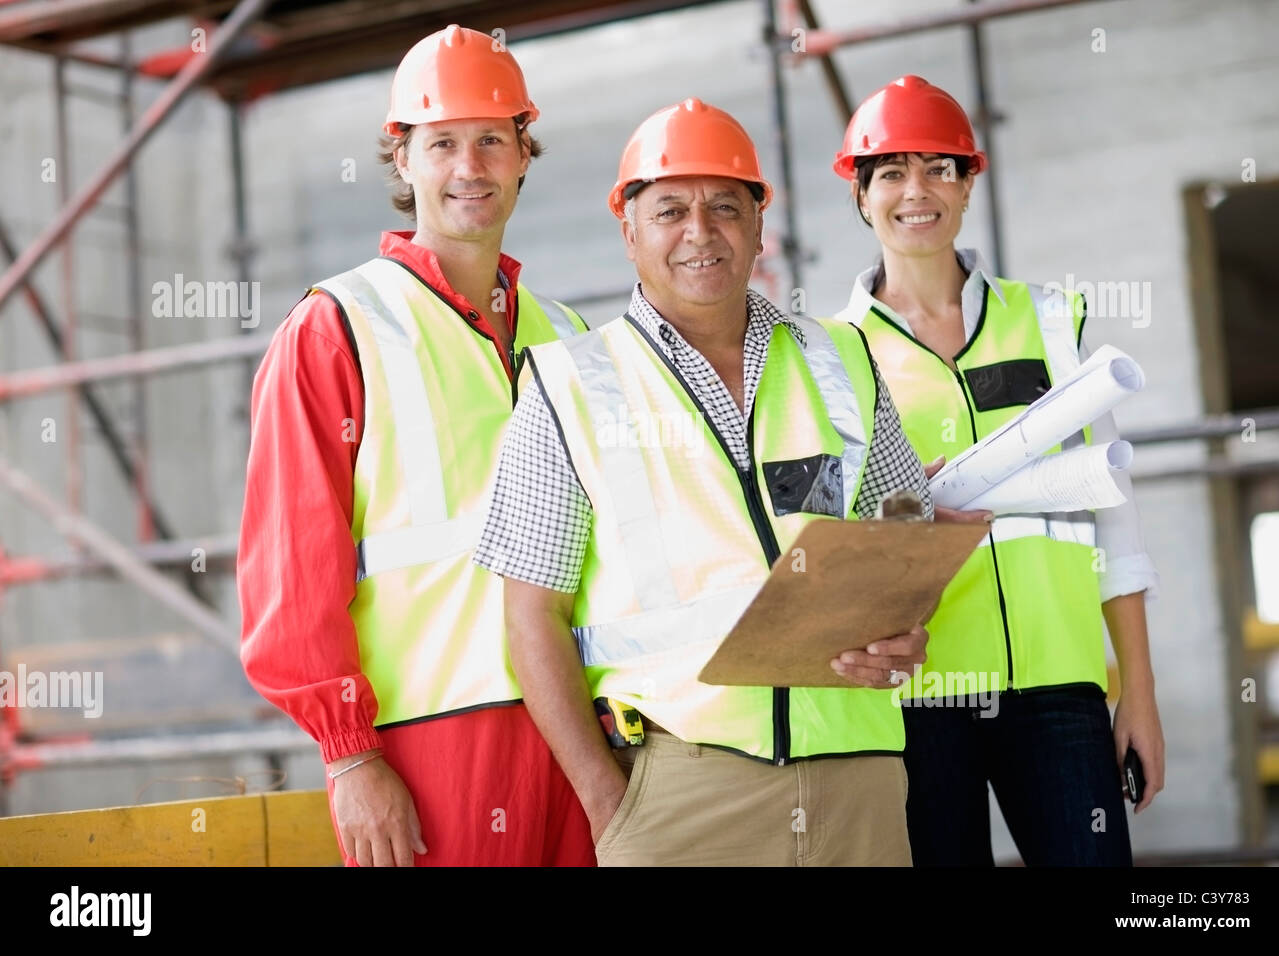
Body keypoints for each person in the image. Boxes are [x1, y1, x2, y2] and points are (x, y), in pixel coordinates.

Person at [474, 98, 935, 866]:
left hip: (860, 774)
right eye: (670, 211)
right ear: (629, 230)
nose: (700, 232)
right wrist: (607, 801)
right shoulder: (569, 383)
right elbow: (531, 618)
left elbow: (906, 534)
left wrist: (908, 624)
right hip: (681, 791)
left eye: (725, 206)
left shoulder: (845, 359)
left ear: (760, 224)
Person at [237, 25, 595, 867]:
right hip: (432, 744)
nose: (468, 168)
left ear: (522, 154)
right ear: (402, 159)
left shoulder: (571, 337)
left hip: (582, 737)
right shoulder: (337, 329)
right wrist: (349, 755)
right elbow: (291, 571)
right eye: (441, 145)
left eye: (489, 142)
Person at [830, 74, 1165, 866]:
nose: (918, 191)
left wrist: (1138, 697)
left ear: (970, 180)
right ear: (862, 194)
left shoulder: (1045, 318)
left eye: (941, 167)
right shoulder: (833, 353)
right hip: (921, 694)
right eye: (892, 173)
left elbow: (1112, 512)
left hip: (1058, 686)